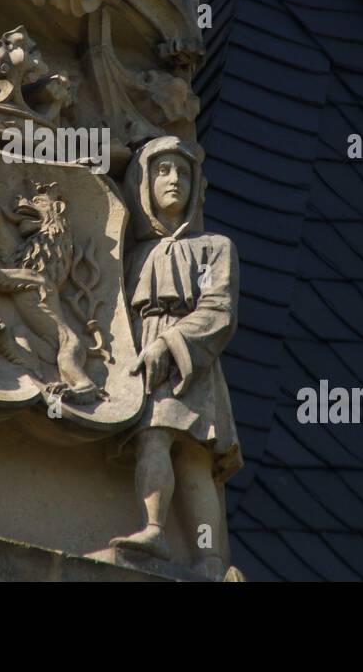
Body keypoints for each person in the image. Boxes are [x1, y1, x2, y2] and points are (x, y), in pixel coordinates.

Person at [110, 136, 241, 578]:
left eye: (183, 173)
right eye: (162, 171)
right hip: (142, 350)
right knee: (157, 438)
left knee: (194, 455)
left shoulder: (214, 248)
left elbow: (219, 310)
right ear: (144, 183)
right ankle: (158, 532)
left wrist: (171, 343)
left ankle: (202, 556)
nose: (174, 181)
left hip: (191, 357)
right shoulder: (134, 255)